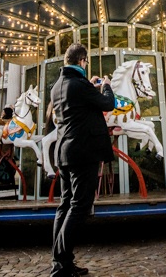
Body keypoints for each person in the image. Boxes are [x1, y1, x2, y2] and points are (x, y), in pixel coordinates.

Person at [49, 43, 115, 277]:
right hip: (83, 152)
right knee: (79, 205)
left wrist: (91, 86)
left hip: (64, 153)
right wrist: (106, 86)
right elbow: (108, 104)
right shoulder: (79, 84)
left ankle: (62, 262)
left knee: (65, 204)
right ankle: (60, 261)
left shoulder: (58, 86)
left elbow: (80, 104)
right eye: (86, 62)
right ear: (82, 61)